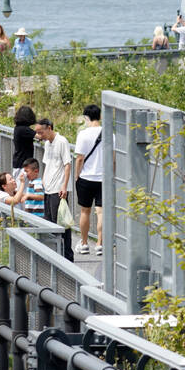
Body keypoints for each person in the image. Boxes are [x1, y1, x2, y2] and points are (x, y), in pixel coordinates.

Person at [73, 104, 104, 256]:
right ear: (100, 116)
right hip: (103, 178)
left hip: (86, 177)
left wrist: (76, 175)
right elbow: (113, 158)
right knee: (101, 212)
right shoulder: (110, 134)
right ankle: (100, 244)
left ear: (86, 117)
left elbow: (79, 158)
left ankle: (84, 243)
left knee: (85, 211)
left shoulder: (83, 135)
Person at [35, 119, 71, 225]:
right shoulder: (47, 144)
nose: (39, 136)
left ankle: (65, 242)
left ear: (49, 128)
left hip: (58, 189)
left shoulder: (61, 141)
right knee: (49, 221)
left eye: (41, 132)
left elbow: (67, 164)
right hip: (48, 189)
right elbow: (47, 164)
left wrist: (64, 186)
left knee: (60, 222)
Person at [10, 105, 37, 174]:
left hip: (18, 163)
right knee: (22, 184)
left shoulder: (18, 128)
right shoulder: (24, 130)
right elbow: (39, 136)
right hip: (23, 165)